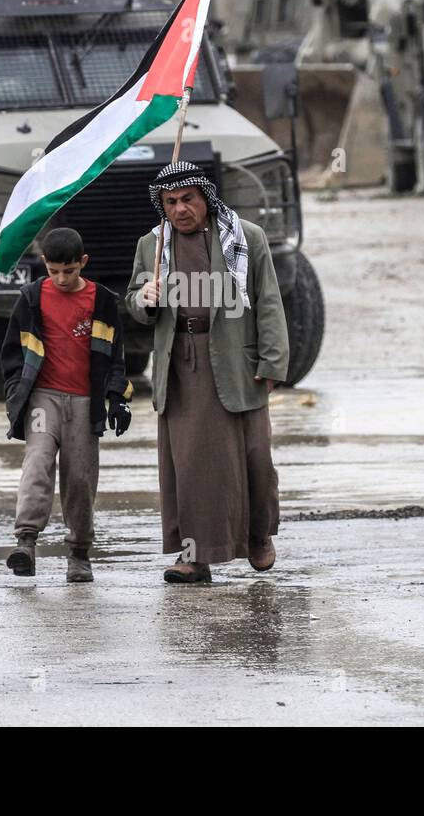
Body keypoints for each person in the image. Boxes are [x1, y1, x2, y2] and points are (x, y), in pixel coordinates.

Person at [125, 160, 289, 584]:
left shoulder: (245, 238)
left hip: (239, 360)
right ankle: (194, 558)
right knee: (190, 464)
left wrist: (272, 362)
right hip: (181, 363)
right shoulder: (152, 244)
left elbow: (268, 301)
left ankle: (258, 536)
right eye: (170, 202)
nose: (180, 209)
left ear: (205, 198)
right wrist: (145, 296)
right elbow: (135, 306)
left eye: (188, 199)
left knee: (254, 456)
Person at [1, 227, 133, 582]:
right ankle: (26, 542)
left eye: (69, 271)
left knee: (80, 476)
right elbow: (12, 352)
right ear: (44, 263)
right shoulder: (30, 299)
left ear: (83, 263)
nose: (61, 278)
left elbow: (116, 355)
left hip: (84, 403)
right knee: (38, 462)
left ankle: (79, 553)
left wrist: (118, 396)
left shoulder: (102, 301)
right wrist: (17, 392)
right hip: (43, 398)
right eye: (54, 270)